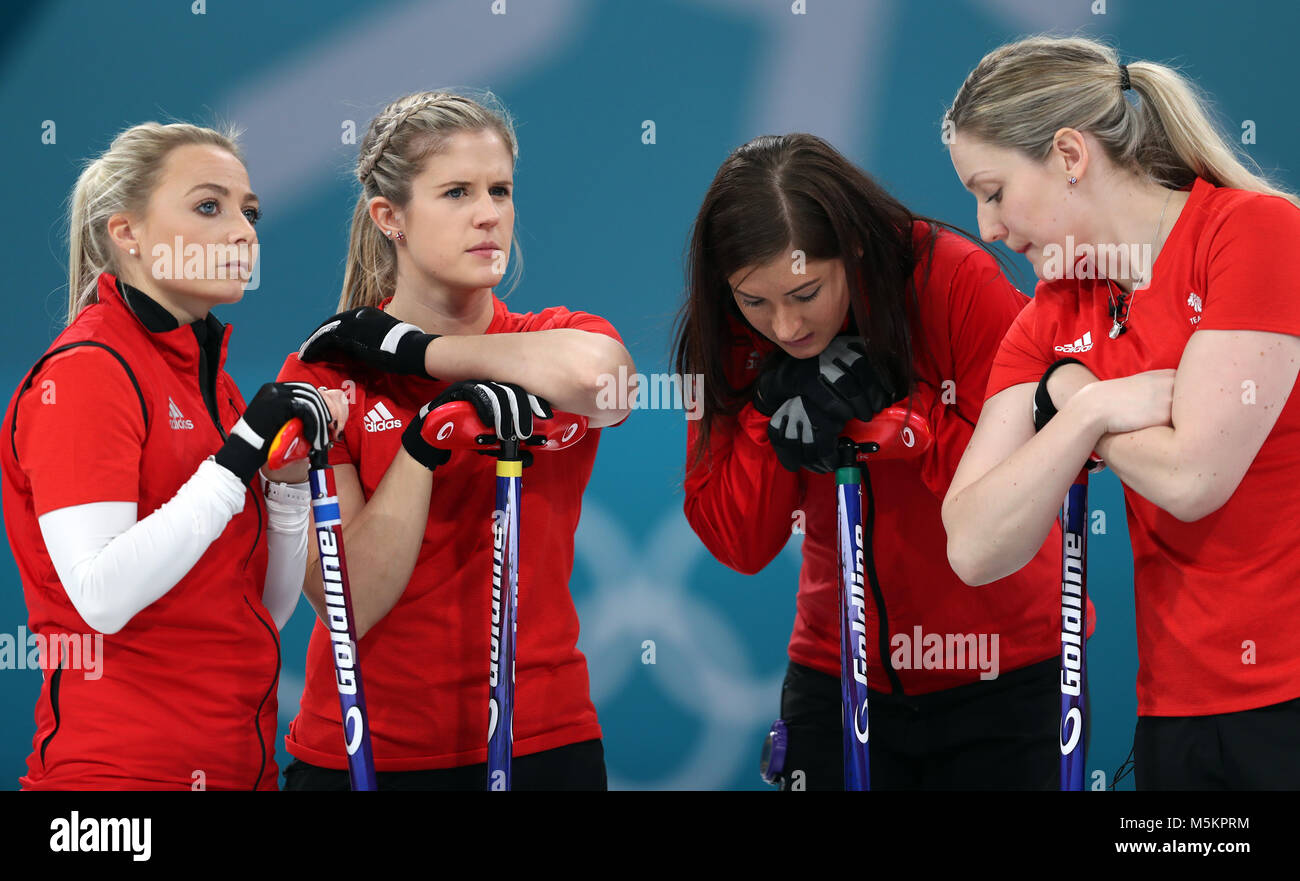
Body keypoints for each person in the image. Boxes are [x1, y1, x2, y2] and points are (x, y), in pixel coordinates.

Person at [674, 132, 1091, 790]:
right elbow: (739, 540)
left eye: (806, 292)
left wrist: (904, 426)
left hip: (1006, 669)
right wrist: (771, 411)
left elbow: (1031, 478)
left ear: (856, 248)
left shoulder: (951, 277)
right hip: (837, 668)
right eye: (757, 301)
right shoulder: (732, 330)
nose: (784, 327)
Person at [943, 35, 1300, 790]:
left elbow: (1196, 474)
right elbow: (973, 543)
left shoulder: (1254, 231)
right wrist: (1085, 405)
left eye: (994, 190)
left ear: (1070, 154)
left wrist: (1068, 393)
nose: (987, 229)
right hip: (1174, 712)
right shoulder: (1052, 315)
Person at [276, 90, 636, 791]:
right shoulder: (326, 371)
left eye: (500, 190)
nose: (488, 213)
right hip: (361, 747)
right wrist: (422, 445)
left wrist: (421, 354)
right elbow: (353, 599)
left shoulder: (549, 337)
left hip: (538, 738)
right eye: (456, 192)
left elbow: (609, 385)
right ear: (390, 217)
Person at [0, 122, 347, 790]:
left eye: (250, 212)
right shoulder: (86, 372)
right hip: (117, 787)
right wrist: (240, 454)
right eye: (209, 206)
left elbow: (255, 610)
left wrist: (286, 489)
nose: (244, 231)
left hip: (240, 770)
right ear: (126, 233)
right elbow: (101, 596)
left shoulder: (210, 380)